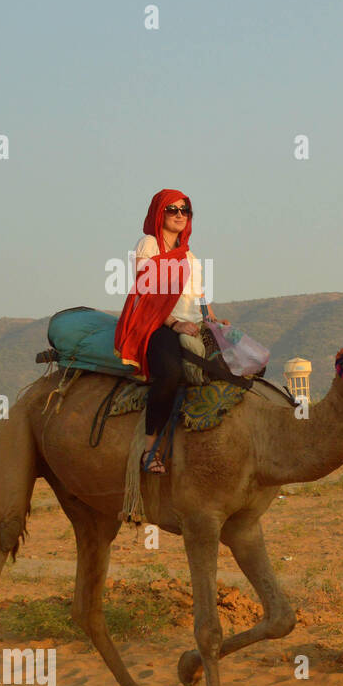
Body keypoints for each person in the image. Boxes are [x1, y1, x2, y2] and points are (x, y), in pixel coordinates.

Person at [113, 188, 223, 474]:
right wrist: (174, 323)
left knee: (239, 364)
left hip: (193, 324)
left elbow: (200, 298)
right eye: (171, 209)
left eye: (184, 210)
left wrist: (214, 321)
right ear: (158, 213)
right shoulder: (148, 245)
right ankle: (150, 451)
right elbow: (146, 294)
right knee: (171, 373)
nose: (179, 215)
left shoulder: (191, 257)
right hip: (159, 325)